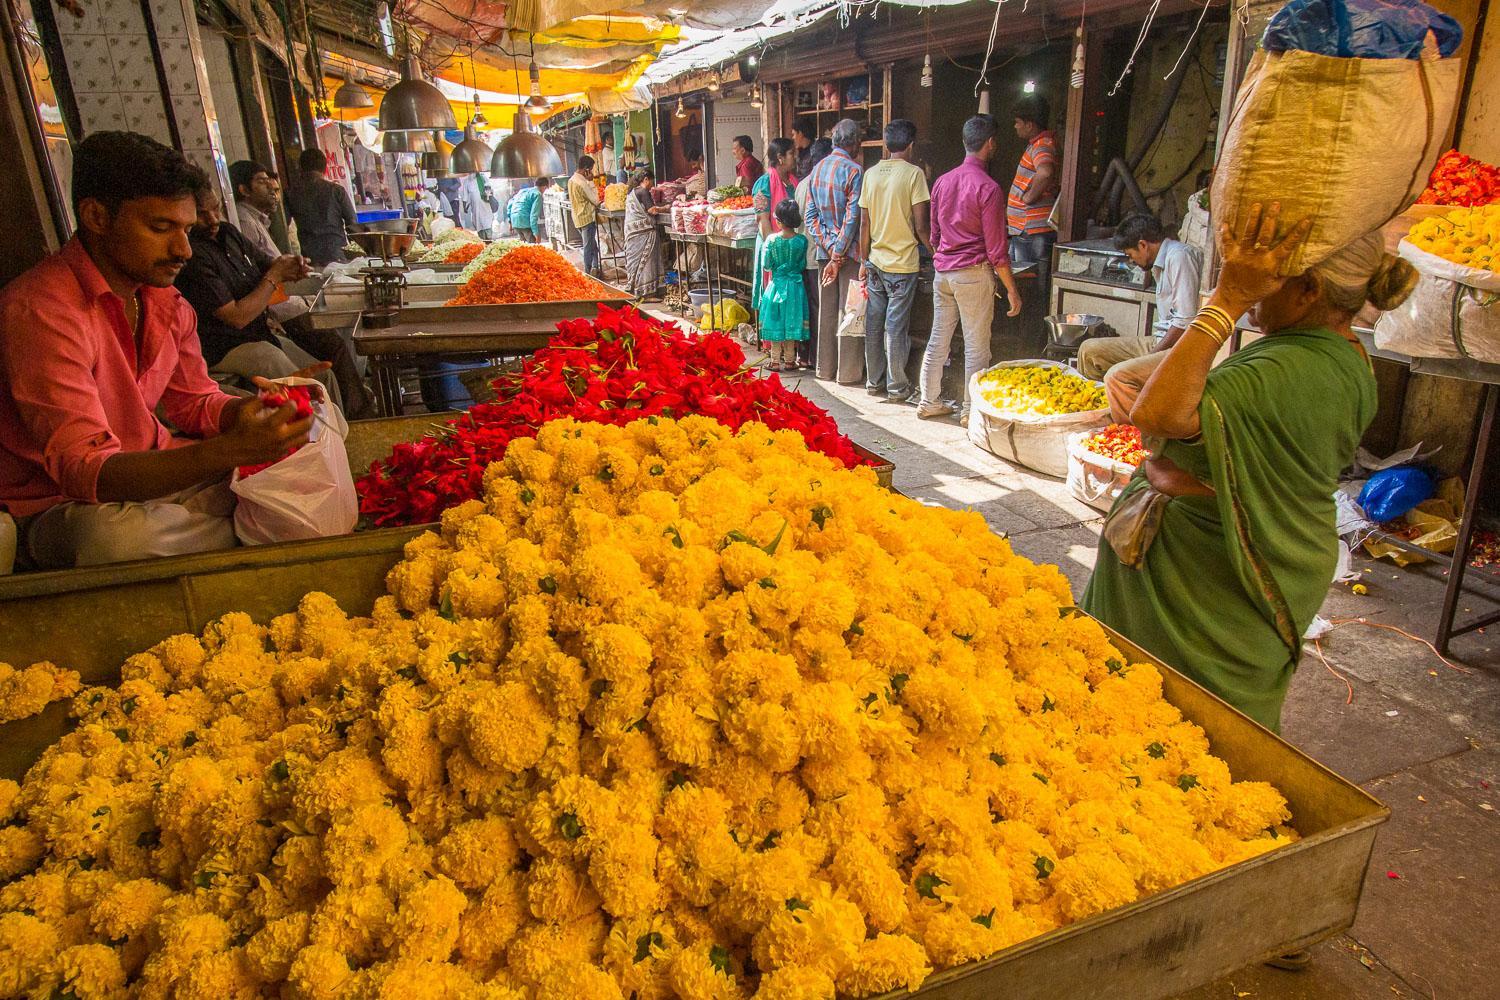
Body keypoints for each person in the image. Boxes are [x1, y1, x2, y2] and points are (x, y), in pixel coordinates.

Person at [1082, 203, 1418, 733]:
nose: (1248, 288)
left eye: (1264, 281)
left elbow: (1157, 412)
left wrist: (1227, 302)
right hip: (1229, 558)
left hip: (1214, 576)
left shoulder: (1295, 366)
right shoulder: (1339, 353)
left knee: (1183, 725)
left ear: (1308, 290)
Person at [0, 131, 317, 568]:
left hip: (157, 473)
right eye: (161, 228)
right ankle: (248, 541)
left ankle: (234, 537)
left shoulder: (162, 299)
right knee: (117, 541)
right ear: (96, 216)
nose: (183, 249)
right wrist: (229, 451)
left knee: (298, 469)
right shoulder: (41, 310)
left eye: (186, 229)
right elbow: (84, 469)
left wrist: (243, 413)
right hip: (57, 506)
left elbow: (194, 402)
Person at [175, 182, 363, 416]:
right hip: (229, 346)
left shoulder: (228, 232)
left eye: (216, 209)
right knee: (307, 389)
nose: (213, 219)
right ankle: (313, 443)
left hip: (262, 333)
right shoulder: (193, 255)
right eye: (202, 214)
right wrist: (275, 276)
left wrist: (292, 265)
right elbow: (237, 317)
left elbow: (268, 263)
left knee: (324, 376)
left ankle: (343, 437)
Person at [917, 115, 1022, 422]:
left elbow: (934, 236)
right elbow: (997, 250)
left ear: (965, 143)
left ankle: (928, 400)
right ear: (990, 144)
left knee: (939, 338)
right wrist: (1011, 289)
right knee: (977, 345)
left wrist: (946, 259)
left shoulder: (942, 182)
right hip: (973, 273)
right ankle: (969, 410)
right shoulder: (988, 188)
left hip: (944, 273)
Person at [1077, 213, 1205, 422]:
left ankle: (1130, 432)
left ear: (1143, 245)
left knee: (1117, 375)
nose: (1132, 261)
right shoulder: (1162, 260)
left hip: (1181, 349)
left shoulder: (1179, 257)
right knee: (1089, 350)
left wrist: (1150, 356)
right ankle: (1096, 416)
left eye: (1130, 254)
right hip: (1159, 340)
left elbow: (1185, 322)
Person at [858, 119, 931, 402]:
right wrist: (936, 252)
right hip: (903, 264)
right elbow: (921, 226)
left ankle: (874, 381)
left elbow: (864, 224)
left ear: (887, 145)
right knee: (895, 327)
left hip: (876, 261)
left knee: (875, 324)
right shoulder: (914, 175)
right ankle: (897, 386)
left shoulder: (871, 174)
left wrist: (865, 260)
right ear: (911, 145)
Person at [804, 118, 865, 380]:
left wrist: (829, 250)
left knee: (827, 313)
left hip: (824, 254)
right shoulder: (854, 171)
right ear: (856, 143)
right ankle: (848, 374)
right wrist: (838, 254)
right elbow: (853, 218)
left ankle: (825, 369)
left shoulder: (816, 169)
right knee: (849, 311)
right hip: (848, 255)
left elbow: (810, 217)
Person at [1007, 95, 1059, 285]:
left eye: (1017, 122)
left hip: (1031, 230)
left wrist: (1028, 197)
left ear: (1029, 124)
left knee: (1029, 282)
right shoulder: (1039, 144)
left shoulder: (1042, 145)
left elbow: (1045, 172)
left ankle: (1031, 314)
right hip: (1029, 229)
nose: (1015, 126)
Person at [794, 138, 833, 371]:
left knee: (809, 309)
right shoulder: (822, 183)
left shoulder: (802, 184)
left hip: (806, 255)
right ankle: (819, 358)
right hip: (819, 256)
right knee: (819, 310)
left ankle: (805, 355)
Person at [758, 199, 810, 372]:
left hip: (776, 286)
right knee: (791, 321)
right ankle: (789, 360)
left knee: (775, 320)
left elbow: (766, 264)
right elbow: (802, 265)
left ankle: (774, 361)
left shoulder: (771, 240)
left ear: (779, 221)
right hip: (795, 288)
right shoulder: (802, 241)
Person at [751, 138, 798, 316]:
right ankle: (772, 341)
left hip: (793, 248)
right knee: (773, 296)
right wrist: (776, 249)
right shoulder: (764, 183)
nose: (795, 157)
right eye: (791, 154)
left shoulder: (794, 181)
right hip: (772, 247)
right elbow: (763, 220)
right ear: (780, 158)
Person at [287, 148, 358, 267]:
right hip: (337, 255)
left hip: (309, 259)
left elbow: (284, 226)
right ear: (325, 168)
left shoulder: (290, 194)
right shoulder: (336, 191)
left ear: (301, 168)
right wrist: (356, 254)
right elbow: (352, 223)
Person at [624, 168, 666, 298]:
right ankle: (646, 293)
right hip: (644, 232)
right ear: (646, 179)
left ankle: (635, 289)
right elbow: (652, 210)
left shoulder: (632, 192)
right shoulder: (643, 191)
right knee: (648, 261)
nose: (652, 185)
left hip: (632, 233)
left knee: (636, 262)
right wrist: (666, 207)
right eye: (651, 181)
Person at [229, 160, 284, 259]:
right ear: (244, 190)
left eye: (268, 181)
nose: (270, 186)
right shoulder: (245, 221)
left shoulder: (256, 217)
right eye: (262, 182)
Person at [570, 154, 603, 277]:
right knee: (588, 247)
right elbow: (595, 200)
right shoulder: (583, 183)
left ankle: (595, 267)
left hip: (577, 218)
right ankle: (588, 273)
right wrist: (591, 182)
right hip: (586, 218)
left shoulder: (572, 179)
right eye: (591, 169)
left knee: (592, 244)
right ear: (586, 169)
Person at [508, 177, 549, 243]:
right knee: (533, 248)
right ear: (544, 187)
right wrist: (536, 233)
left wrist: (510, 222)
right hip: (525, 222)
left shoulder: (522, 191)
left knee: (523, 248)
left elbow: (510, 204)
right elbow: (533, 216)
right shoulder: (537, 194)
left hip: (515, 221)